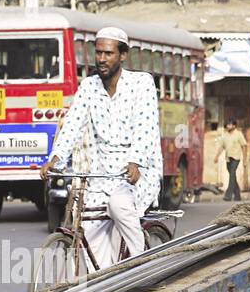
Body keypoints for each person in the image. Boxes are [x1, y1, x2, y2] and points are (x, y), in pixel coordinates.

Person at [39, 25, 161, 266]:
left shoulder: (142, 84)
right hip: (101, 174)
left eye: (108, 53)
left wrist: (134, 161)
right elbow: (72, 125)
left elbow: (145, 129)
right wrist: (55, 159)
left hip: (138, 173)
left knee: (118, 204)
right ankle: (101, 281)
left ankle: (141, 264)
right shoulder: (88, 86)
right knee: (85, 221)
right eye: (98, 53)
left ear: (123, 55)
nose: (102, 59)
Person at [221, 118, 247, 201]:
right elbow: (222, 146)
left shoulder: (238, 134)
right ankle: (237, 195)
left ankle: (228, 195)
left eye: (230, 124)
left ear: (234, 125)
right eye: (227, 124)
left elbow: (244, 146)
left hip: (236, 157)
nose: (228, 126)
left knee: (232, 173)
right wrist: (216, 156)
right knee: (232, 176)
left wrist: (245, 159)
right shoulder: (225, 135)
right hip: (228, 157)